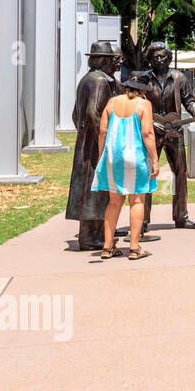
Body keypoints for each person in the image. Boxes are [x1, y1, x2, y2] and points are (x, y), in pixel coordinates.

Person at [91, 75, 160, 260]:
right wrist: (154, 159)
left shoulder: (112, 102)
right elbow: (147, 133)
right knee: (137, 201)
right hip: (136, 158)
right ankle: (135, 247)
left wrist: (101, 156)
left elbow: (102, 132)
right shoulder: (144, 105)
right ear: (142, 90)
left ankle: (107, 247)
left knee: (114, 202)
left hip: (113, 158)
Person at [142, 42, 195, 230]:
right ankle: (143, 219)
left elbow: (189, 100)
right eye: (155, 57)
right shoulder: (145, 79)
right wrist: (151, 122)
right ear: (150, 60)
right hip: (151, 132)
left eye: (163, 56)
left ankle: (181, 216)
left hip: (174, 132)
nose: (159, 60)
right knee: (148, 174)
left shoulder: (179, 78)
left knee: (180, 173)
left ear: (169, 58)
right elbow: (137, 102)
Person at [66, 40, 121, 250]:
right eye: (113, 59)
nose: (117, 62)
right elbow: (92, 112)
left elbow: (75, 115)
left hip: (86, 140)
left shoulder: (87, 79)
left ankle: (98, 231)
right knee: (95, 187)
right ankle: (89, 237)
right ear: (103, 60)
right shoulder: (100, 81)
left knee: (92, 186)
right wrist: (105, 138)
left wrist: (84, 134)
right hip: (96, 142)